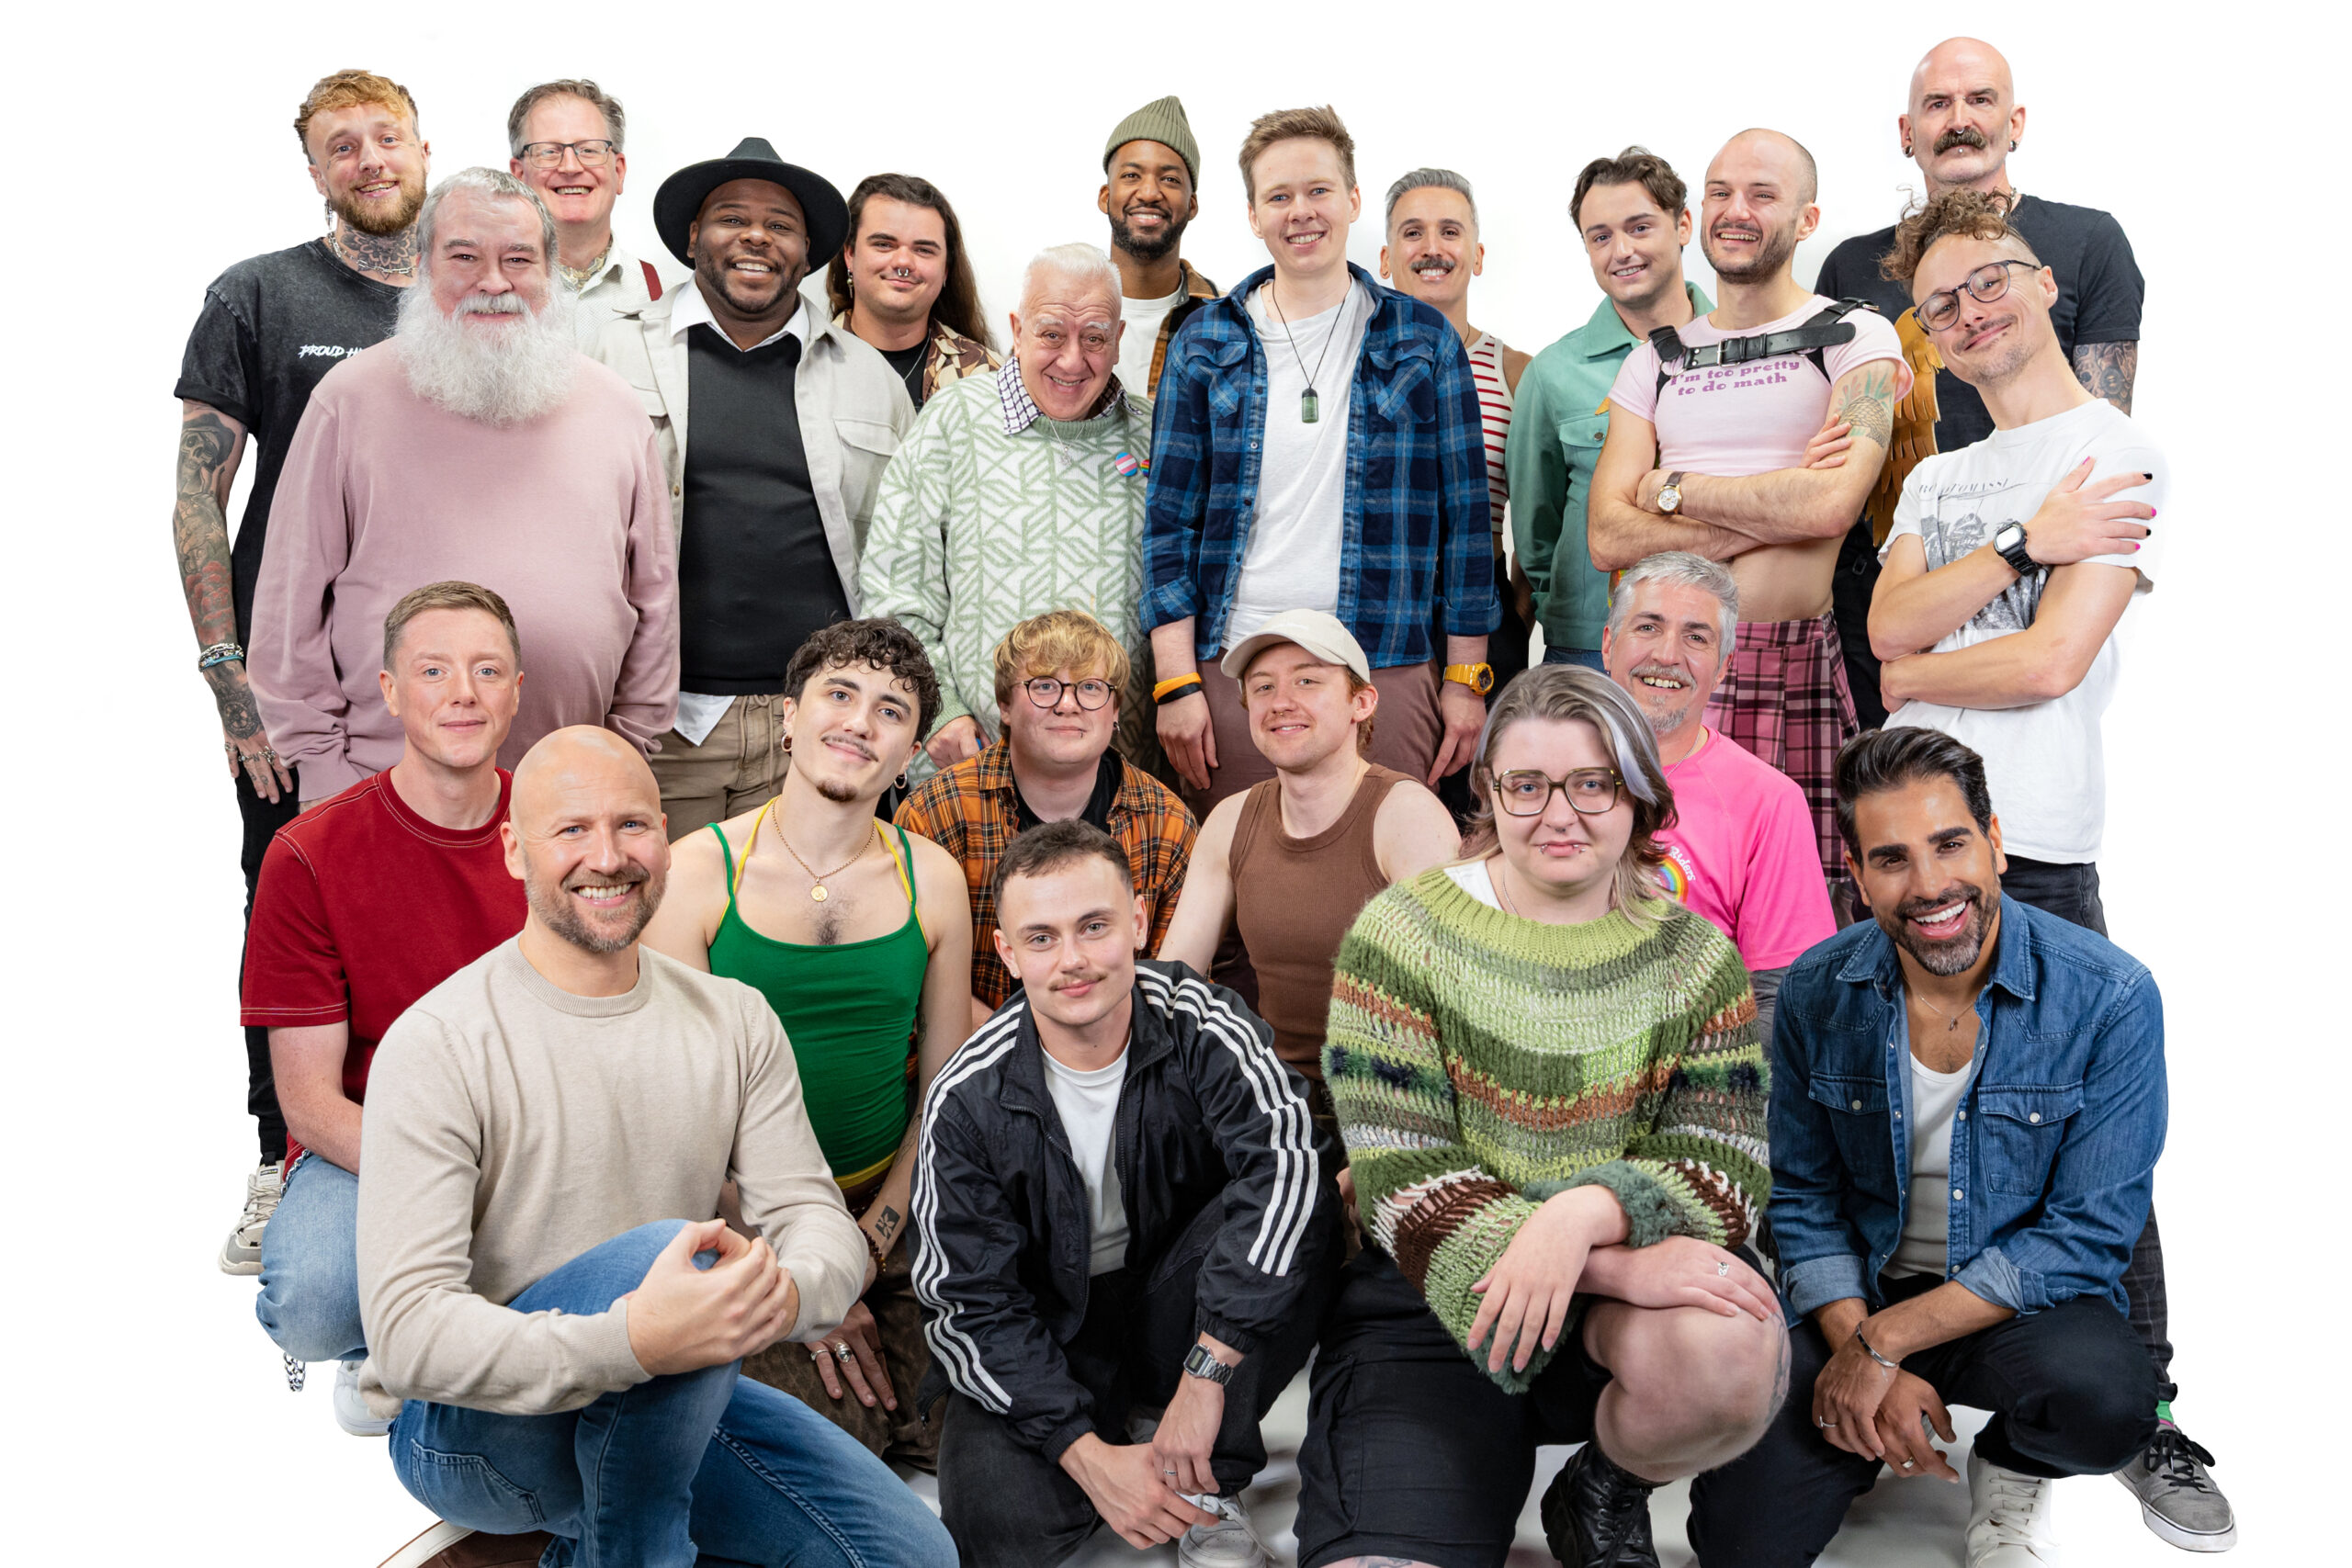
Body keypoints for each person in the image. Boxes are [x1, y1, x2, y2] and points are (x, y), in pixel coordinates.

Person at [355, 726, 956, 1567]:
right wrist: (635, 1339)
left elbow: (816, 1223)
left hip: (670, 1390)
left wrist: (774, 1303)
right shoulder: (440, 1041)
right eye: (571, 830)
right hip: (478, 1427)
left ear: (665, 839)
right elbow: (408, 1336)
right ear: (515, 850)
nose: (608, 856)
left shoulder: (735, 1017)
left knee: (913, 1557)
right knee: (671, 1258)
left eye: (632, 826)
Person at [1867, 189, 2227, 1551]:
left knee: (2093, 1142)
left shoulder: (2118, 450)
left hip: (2042, 845)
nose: (1971, 310)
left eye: (1990, 281)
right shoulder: (1936, 478)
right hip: (1907, 845)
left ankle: (2144, 1413)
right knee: (1908, 1132)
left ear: (2045, 287)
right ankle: (1937, 1394)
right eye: (1944, 299)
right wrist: (2022, 548)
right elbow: (1885, 635)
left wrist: (1929, 650)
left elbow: (2047, 661)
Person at [1297, 665, 1782, 1568]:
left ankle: (1605, 1485)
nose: (1559, 813)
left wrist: (1582, 1218)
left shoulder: (1693, 955)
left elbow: (1723, 1162)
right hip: (1435, 1298)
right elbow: (1401, 1180)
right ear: (1488, 791)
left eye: (1592, 782)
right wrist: (1610, 1267)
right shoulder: (1404, 934)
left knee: (1727, 1347)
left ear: (1638, 794)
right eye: (1527, 784)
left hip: (1609, 1312)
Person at [1687, 728, 2164, 1568]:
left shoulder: (2111, 995)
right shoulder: (1812, 990)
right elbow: (1802, 1200)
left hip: (2017, 1304)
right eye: (1894, 857)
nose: (1931, 883)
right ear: (1859, 874)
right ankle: (1868, 1433)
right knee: (1739, 1540)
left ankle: (2012, 1462)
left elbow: (2087, 1237)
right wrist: (1857, 1339)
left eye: (1951, 843)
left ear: (1996, 842)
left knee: (2105, 1401)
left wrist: (1883, 1345)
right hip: (1859, 1290)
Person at [913, 820, 1342, 1568]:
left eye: (1095, 926)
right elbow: (968, 1300)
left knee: (1298, 1206)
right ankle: (1127, 1442)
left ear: (1139, 922)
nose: (1073, 960)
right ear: (1009, 953)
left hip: (1180, 1299)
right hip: (1053, 1327)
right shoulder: (968, 1092)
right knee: (996, 1530)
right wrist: (1084, 1455)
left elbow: (1288, 1166)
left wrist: (1207, 1373)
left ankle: (1210, 1476)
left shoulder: (1200, 1021)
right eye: (1041, 938)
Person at [176, 68, 428, 1275]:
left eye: (387, 136)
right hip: (301, 676)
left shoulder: (481, 288)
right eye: (344, 145)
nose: (370, 159)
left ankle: (449, 1150)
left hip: (455, 674)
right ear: (316, 168)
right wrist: (233, 683)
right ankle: (287, 1154)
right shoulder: (259, 295)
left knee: (463, 903)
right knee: (288, 900)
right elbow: (197, 492)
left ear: (423, 147)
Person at [641, 619, 971, 1469]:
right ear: (788, 718)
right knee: (832, 1446)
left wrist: (866, 1246)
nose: (860, 721)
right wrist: (801, 1257)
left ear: (909, 751)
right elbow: (685, 1113)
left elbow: (942, 1092)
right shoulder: (698, 872)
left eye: (890, 710)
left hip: (887, 1209)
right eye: (839, 694)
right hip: (744, 1217)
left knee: (961, 1430)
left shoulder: (930, 877)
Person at [251, 168, 677, 811]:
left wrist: (623, 754)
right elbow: (288, 611)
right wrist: (328, 779)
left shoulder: (615, 408)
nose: (495, 282)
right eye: (465, 257)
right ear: (422, 266)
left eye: (517, 259)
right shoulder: (347, 401)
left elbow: (654, 604)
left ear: (551, 270)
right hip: (380, 794)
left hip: (569, 798)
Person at [1588, 128, 1911, 905]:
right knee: (1637, 914)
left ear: (1807, 219)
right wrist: (1782, 502)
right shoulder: (1656, 357)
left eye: (1763, 194)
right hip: (1659, 666)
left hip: (1789, 664)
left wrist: (1673, 487)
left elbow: (1833, 502)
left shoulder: (1857, 334)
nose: (1736, 211)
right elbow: (1607, 535)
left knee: (1800, 931)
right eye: (1721, 193)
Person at [1145, 105, 1497, 811]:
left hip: (1383, 662)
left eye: (1318, 191)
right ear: (1252, 214)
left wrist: (1466, 679)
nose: (1300, 212)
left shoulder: (1424, 340)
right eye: (1278, 196)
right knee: (1241, 890)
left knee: (1398, 898)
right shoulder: (1203, 342)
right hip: (1236, 664)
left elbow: (1468, 525)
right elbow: (1167, 528)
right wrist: (1177, 683)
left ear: (1352, 200)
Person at [247, 582, 531, 1442]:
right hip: (368, 1138)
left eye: (488, 671)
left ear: (518, 689)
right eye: (434, 670)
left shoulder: (558, 830)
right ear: (389, 690)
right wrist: (451, 1178)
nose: (463, 694)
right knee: (313, 1302)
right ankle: (379, 1335)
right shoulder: (310, 854)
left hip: (533, 1123)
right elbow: (308, 1100)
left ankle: (457, 1332)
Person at [1815, 37, 2145, 728]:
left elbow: (2098, 438)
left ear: (2014, 123)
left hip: (2036, 578)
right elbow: (1837, 444)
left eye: (1980, 100)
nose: (1958, 118)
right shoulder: (1850, 267)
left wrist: (2037, 551)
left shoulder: (2088, 242)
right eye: (1937, 104)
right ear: (1908, 134)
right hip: (1883, 586)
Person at [590, 137, 913, 838]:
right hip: (656, 725)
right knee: (657, 933)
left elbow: (903, 555)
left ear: (807, 251)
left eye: (781, 225)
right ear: (691, 237)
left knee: (791, 931)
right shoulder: (608, 356)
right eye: (731, 217)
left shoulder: (869, 378)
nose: (756, 237)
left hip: (813, 729)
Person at [864, 243, 1159, 775]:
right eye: (1050, 334)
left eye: (1094, 338)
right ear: (1017, 330)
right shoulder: (953, 421)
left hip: (1120, 775)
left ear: (1117, 341)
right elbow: (894, 595)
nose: (1072, 360)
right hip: (970, 767)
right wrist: (941, 715)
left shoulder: (1153, 434)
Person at [1156, 610, 1458, 1125]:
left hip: (1391, 1101)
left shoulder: (1406, 815)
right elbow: (1173, 986)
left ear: (1361, 702)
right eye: (1263, 687)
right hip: (1270, 1100)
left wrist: (1380, 1145)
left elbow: (1449, 1005)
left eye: (1307, 681)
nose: (1281, 702)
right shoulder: (1231, 820)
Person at [896, 610, 1195, 1028]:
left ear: (1115, 712)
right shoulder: (936, 812)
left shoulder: (1167, 822)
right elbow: (907, 973)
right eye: (1044, 687)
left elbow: (1174, 978)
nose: (1068, 704)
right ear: (1004, 705)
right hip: (973, 1052)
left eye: (1090, 687)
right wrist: (1015, 1051)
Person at [1604, 552, 1834, 1034]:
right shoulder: (1542, 768)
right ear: (1608, 645)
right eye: (1647, 627)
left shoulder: (1769, 801)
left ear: (1725, 666)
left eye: (1696, 637)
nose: (1668, 655)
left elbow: (1784, 1000)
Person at [1509, 147, 1712, 673]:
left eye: (1639, 228)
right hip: (1589, 643)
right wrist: (1575, 609)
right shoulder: (1552, 373)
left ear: (1683, 224)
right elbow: (1535, 534)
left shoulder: (1746, 351)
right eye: (1600, 237)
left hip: (1712, 633)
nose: (1621, 251)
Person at [1379, 166, 1532, 709]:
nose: (1432, 248)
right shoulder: (1353, 366)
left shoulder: (1514, 371)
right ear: (1385, 258)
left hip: (1486, 607)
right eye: (1413, 232)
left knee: (1484, 784)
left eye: (1450, 231)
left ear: (1478, 254)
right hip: (1379, 598)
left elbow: (1546, 514)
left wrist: (1518, 613)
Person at [505, 78, 664, 347]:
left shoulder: (665, 296)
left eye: (589, 150)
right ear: (519, 176)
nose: (570, 167)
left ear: (619, 171)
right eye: (548, 151)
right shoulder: (485, 292)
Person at [825, 173, 1000, 409]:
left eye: (924, 250)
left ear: (946, 268)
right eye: (884, 245)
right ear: (850, 254)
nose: (903, 262)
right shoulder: (805, 359)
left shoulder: (987, 376)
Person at [1101, 96, 1219, 404]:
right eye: (1131, 176)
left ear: (1192, 205)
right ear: (1105, 196)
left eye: (1170, 179)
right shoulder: (1058, 308)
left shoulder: (1227, 320)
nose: (1150, 193)